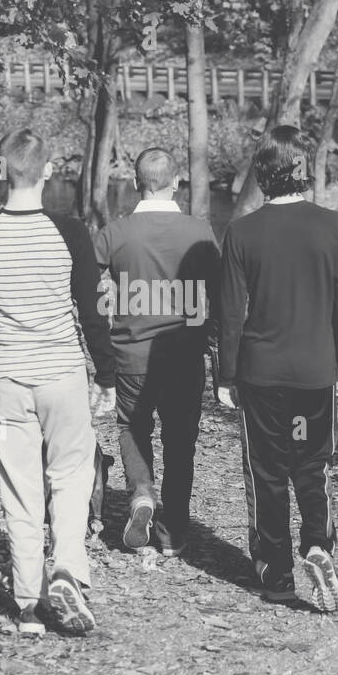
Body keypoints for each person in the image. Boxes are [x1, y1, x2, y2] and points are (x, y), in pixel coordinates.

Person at [0, 128, 116, 636]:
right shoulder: (69, 233)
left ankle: (27, 605)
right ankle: (67, 568)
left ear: (2, 170)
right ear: (48, 171)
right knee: (70, 474)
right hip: (62, 375)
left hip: (5, 377)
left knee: (18, 483)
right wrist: (106, 374)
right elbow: (92, 312)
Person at [216, 126, 338, 613]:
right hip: (315, 370)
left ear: (261, 175)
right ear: (305, 171)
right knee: (312, 464)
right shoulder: (333, 226)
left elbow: (230, 313)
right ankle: (318, 544)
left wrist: (225, 376)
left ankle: (276, 574)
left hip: (261, 373)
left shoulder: (242, 231)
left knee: (267, 473)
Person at [93, 148, 220, 556]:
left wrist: (104, 306)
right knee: (181, 442)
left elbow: (82, 279)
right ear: (176, 182)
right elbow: (218, 296)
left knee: (133, 428)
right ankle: (173, 533)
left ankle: (141, 492)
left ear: (134, 184)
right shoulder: (200, 232)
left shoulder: (116, 232)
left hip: (130, 353)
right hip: (184, 357)